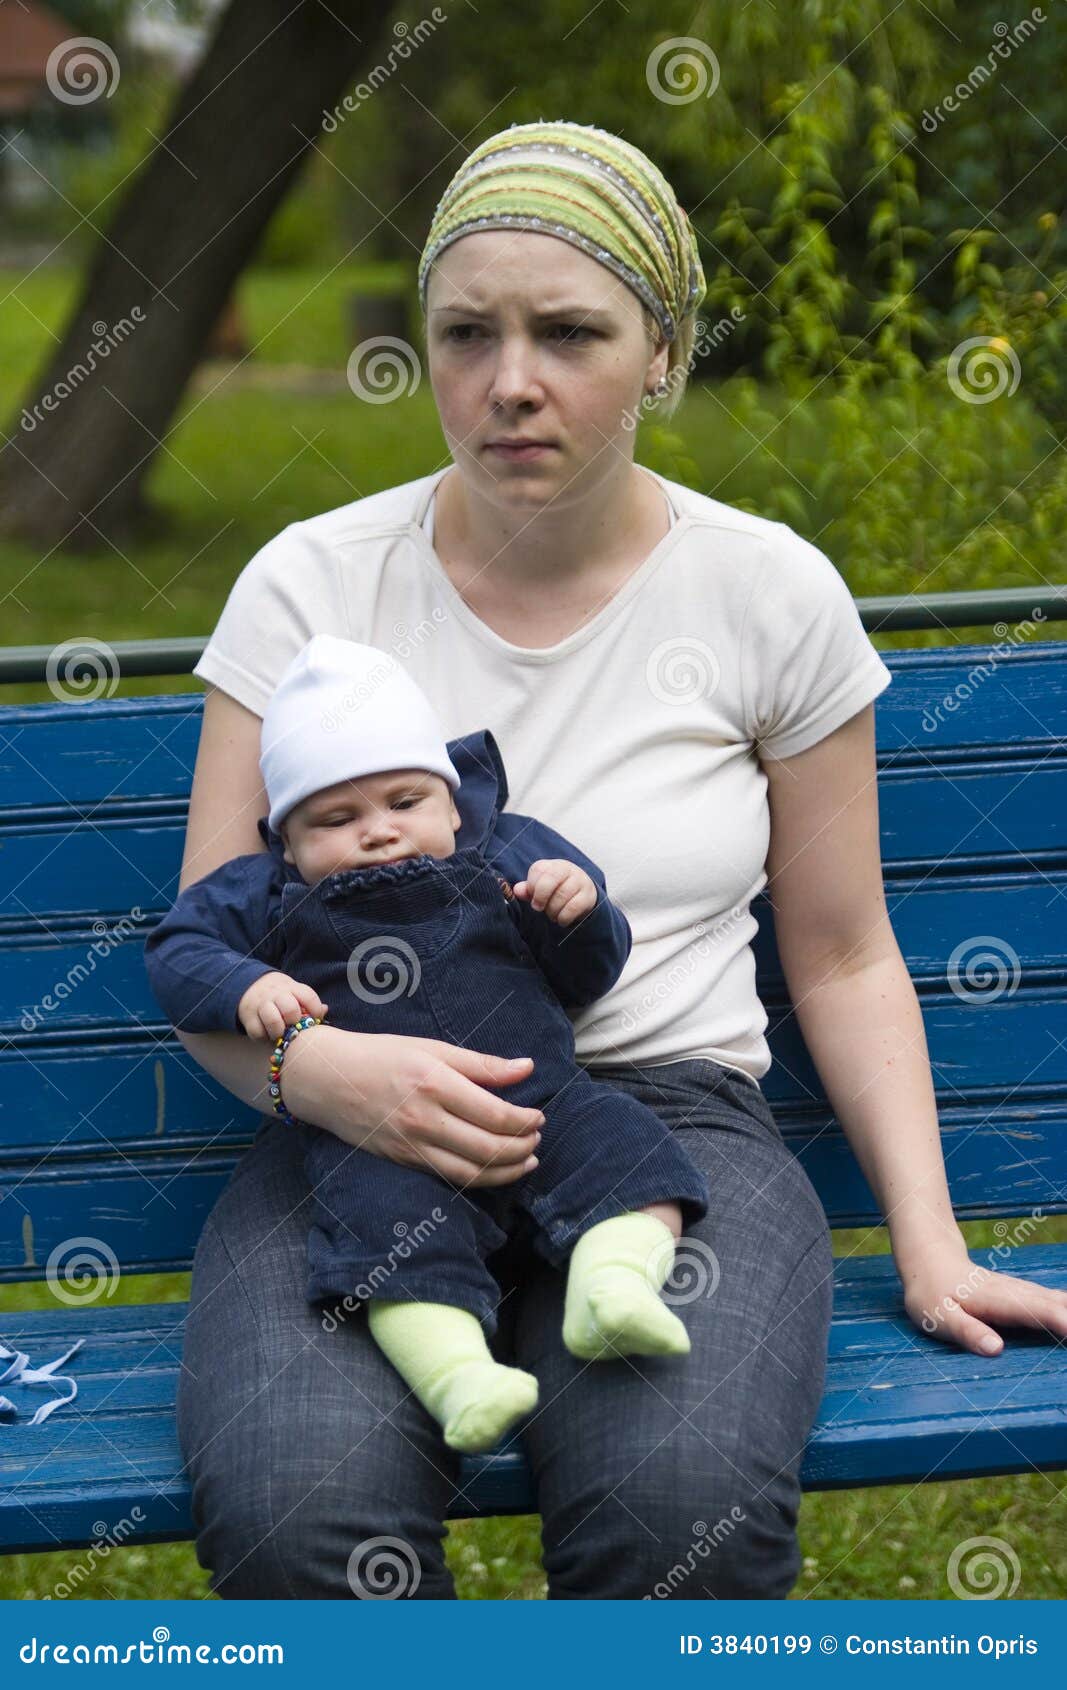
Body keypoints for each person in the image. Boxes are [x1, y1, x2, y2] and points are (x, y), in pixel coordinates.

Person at [173, 119, 1067, 1601]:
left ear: (660, 349)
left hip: (666, 1133)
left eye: (569, 331)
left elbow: (841, 953)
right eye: (466, 332)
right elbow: (210, 942)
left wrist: (929, 1241)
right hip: (350, 1133)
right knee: (291, 1508)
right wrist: (327, 1077)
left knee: (677, 1509)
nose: (508, 380)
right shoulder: (312, 585)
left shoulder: (764, 589)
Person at [145, 635, 712, 1454]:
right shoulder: (265, 892)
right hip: (380, 1139)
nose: (378, 832)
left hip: (546, 1105)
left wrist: (580, 912)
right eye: (336, 819)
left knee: (633, 1155)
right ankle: (457, 1376)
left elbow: (590, 974)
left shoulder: (511, 852)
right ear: (287, 840)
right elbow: (175, 955)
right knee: (384, 1237)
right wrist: (244, 987)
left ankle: (614, 1286)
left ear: (453, 803)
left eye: (404, 802)